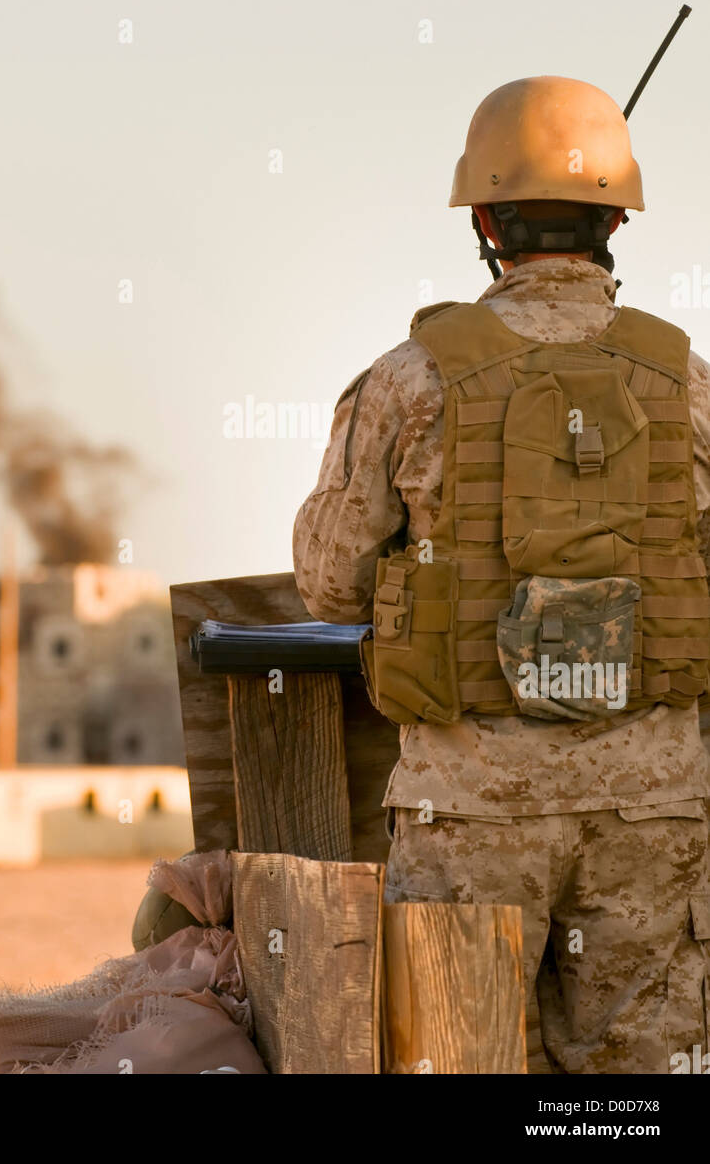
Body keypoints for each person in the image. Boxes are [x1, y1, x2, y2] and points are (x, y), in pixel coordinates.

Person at [293, 77, 710, 1074]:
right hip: (649, 815)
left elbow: (328, 584)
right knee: (634, 1097)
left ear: (482, 217)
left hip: (467, 810)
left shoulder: (409, 379)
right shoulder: (684, 380)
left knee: (457, 1064)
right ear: (615, 216)